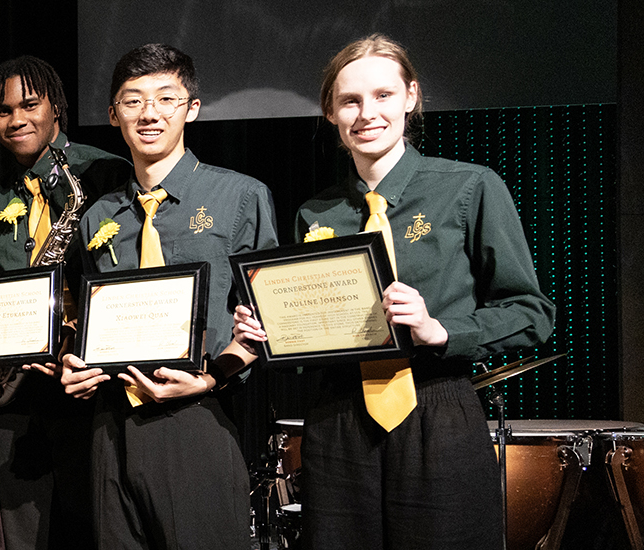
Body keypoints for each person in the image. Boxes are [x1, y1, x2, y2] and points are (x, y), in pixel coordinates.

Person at [230, 34, 553, 549]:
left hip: (437, 409)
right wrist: (268, 332)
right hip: (337, 421)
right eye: (350, 101)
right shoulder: (317, 212)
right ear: (331, 114)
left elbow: (532, 314)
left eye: (382, 95)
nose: (366, 113)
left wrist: (441, 329)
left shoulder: (470, 187)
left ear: (411, 97)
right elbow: (307, 330)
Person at [55, 44, 276, 549]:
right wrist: (74, 364)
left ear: (191, 108)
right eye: (132, 101)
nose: (149, 113)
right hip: (111, 423)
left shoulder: (241, 197)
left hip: (198, 415)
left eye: (165, 98)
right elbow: (87, 320)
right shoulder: (96, 217)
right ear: (113, 115)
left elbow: (267, 323)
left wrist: (207, 378)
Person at [0, 55, 132, 550]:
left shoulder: (104, 172)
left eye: (29, 105)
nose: (16, 120)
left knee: (92, 529)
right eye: (2, 110)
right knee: (23, 536)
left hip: (89, 385)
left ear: (56, 106)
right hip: (19, 392)